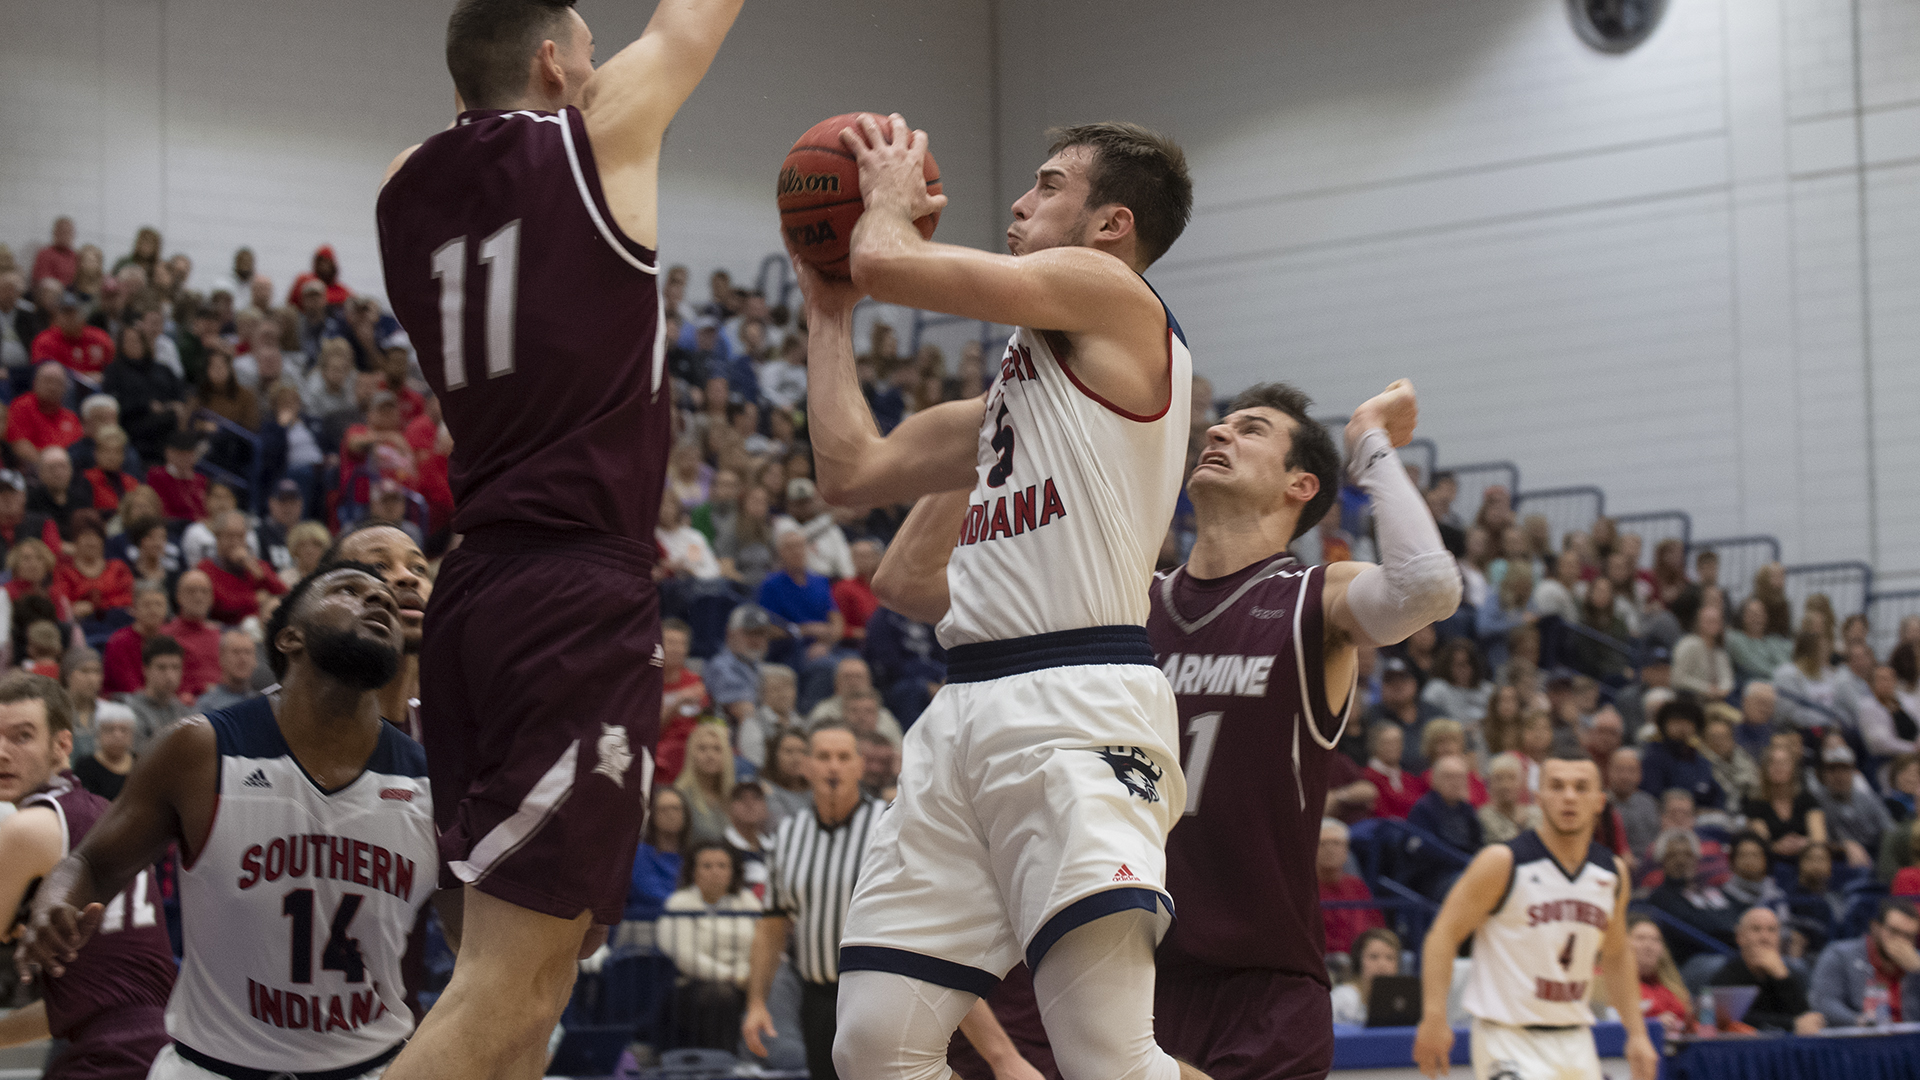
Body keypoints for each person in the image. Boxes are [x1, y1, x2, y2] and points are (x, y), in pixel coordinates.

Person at [869, 380, 1453, 1080]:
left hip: (1255, 983)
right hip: (1113, 958)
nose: (1218, 433)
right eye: (1221, 423)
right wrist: (995, 429)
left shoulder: (1311, 598)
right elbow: (907, 578)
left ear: (1303, 485)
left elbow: (1425, 586)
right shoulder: (1115, 598)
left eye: (1252, 429)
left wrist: (1369, 438)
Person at [788, 110, 1209, 1080]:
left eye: (1049, 185)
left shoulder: (1113, 293)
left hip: (1077, 705)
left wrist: (883, 203)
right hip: (963, 711)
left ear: (1112, 225)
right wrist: (828, 311)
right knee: (873, 1047)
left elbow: (892, 264)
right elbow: (852, 470)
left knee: (1111, 1060)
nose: (1019, 202)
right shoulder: (1016, 393)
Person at [379, 0, 756, 1062]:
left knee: (513, 982)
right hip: (571, 596)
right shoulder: (592, 139)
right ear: (551, 62)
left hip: (474, 588)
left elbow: (471, 115)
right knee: (510, 986)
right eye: (591, 53)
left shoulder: (401, 183)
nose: (604, 72)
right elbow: (690, 25)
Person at [15, 563, 434, 1079]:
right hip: (213, 1068)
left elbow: (472, 937)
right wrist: (57, 901)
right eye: (350, 591)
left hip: (374, 1066)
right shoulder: (199, 750)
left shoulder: (428, 781)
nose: (381, 603)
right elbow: (92, 864)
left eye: (387, 603)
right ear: (289, 636)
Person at [1413, 753, 1657, 1080]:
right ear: (1538, 799)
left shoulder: (1612, 873)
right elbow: (1443, 935)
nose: (1569, 796)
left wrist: (1637, 1034)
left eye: (1581, 788)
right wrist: (1433, 1017)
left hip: (1576, 1039)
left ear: (1600, 802)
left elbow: (1615, 954)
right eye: (1556, 786)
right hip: (1507, 1039)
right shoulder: (1502, 862)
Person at [0, 673, 175, 1078]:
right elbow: (78, 1006)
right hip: (156, 1049)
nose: (2, 752)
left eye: (21, 736)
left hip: (112, 1057)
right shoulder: (106, 815)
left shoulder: (29, 827)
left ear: (62, 745)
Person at [741, 724, 883, 1080]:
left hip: (882, 994)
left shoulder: (888, 824)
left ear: (860, 766)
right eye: (823, 757)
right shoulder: (788, 834)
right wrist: (757, 1001)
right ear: (805, 767)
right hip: (818, 997)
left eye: (843, 757)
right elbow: (773, 924)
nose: (833, 767)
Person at [658, 842, 763, 1050]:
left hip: (749, 979)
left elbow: (762, 943)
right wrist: (731, 976)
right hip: (694, 984)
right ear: (693, 871)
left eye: (722, 866)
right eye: (707, 866)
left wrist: (751, 975)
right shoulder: (679, 903)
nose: (715, 871)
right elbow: (684, 955)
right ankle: (725, 1060)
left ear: (733, 871)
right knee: (721, 995)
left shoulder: (747, 900)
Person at [1705, 907, 1825, 1034]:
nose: (1765, 937)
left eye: (1771, 930)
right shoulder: (1724, 975)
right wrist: (1791, 1024)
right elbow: (1725, 1020)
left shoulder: (1791, 973)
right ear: (1740, 937)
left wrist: (1782, 977)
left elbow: (1805, 1019)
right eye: (1756, 929)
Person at [1809, 897, 1920, 1025]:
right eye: (1894, 932)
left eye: (1909, 936)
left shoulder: (1917, 963)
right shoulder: (1839, 955)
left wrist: (1918, 971)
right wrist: (1859, 1022)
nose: (1901, 941)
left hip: (1911, 1042)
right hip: (1857, 1041)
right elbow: (1824, 1001)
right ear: (1875, 927)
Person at [1646, 830, 1740, 961]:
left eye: (1688, 854)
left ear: (1697, 858)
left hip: (1732, 952)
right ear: (1661, 860)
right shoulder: (1661, 897)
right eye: (1672, 855)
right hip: (1695, 959)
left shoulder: (1713, 890)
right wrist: (1734, 931)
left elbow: (1737, 916)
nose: (1681, 861)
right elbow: (1700, 925)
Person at [616, 788, 687, 954]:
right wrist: (689, 904)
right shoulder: (638, 852)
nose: (671, 814)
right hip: (644, 927)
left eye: (676, 808)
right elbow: (649, 892)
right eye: (663, 809)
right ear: (652, 815)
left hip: (686, 926)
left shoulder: (693, 855)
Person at [1407, 754, 1485, 900]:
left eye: (1460, 777)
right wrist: (1465, 862)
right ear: (1434, 780)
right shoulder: (1423, 809)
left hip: (1466, 870)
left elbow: (1477, 844)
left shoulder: (1467, 810)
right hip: (1433, 877)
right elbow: (1424, 850)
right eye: (1449, 777)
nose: (1456, 782)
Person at [1744, 742, 1828, 867]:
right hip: (1773, 864)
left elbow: (1820, 838)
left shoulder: (1807, 799)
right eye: (1773, 763)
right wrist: (1777, 846)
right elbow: (1762, 843)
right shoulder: (1756, 804)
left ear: (1793, 768)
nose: (1778, 767)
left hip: (1807, 863)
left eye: (1784, 763)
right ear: (1765, 769)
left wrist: (1804, 843)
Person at [1813, 743, 1893, 868]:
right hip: (1837, 860)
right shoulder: (1817, 801)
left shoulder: (1867, 798)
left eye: (1844, 769)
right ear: (1823, 774)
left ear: (1853, 772)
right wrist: (1843, 846)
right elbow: (1818, 841)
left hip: (1875, 854)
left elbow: (1889, 830)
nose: (1839, 775)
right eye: (1832, 769)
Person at [1318, 819, 1384, 956]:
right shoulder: (1305, 891)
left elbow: (1377, 928)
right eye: (1322, 843)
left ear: (1346, 851)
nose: (1330, 849)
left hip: (1358, 964)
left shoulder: (1357, 886)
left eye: (1336, 843)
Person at [1623, 915, 1692, 1039]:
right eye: (1640, 938)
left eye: (1656, 940)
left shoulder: (1672, 985)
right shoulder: (1607, 981)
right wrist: (1653, 1024)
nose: (1649, 945)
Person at [120, 636, 190, 752]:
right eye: (161, 668)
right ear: (145, 670)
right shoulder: (129, 711)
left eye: (175, 667)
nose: (170, 676)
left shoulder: (185, 712)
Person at [162, 570, 221, 701]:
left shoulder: (220, 635)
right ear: (178, 596)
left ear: (212, 598)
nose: (198, 597)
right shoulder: (165, 636)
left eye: (204, 591)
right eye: (191, 591)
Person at [103, 582, 171, 696]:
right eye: (147, 605)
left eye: (158, 604)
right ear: (134, 609)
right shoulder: (119, 642)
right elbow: (128, 686)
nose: (153, 610)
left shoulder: (169, 641)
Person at [674, 720, 736, 846]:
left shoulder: (734, 796)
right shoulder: (680, 796)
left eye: (717, 749)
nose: (710, 755)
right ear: (692, 754)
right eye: (702, 748)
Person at [1329, 929, 1403, 1027]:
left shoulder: (1401, 1002)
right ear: (1359, 961)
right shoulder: (1342, 997)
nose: (1382, 964)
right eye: (1373, 957)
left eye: (1390, 958)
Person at [1363, 722, 1427, 819]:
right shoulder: (1368, 777)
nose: (1394, 747)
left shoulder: (1409, 778)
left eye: (1398, 742)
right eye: (1388, 743)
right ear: (1374, 745)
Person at [71, 710, 138, 801]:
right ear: (98, 734)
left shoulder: (141, 762)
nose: (117, 735)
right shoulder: (85, 766)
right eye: (110, 729)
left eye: (123, 730)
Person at [1722, 832, 1790, 916]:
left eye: (1755, 855)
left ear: (1765, 859)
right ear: (1732, 861)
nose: (1750, 860)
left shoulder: (1777, 896)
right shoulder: (1722, 897)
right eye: (1743, 855)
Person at [1479, 752, 1541, 844]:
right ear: (1490, 784)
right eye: (1499, 779)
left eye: (1512, 778)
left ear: (1521, 782)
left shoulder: (1535, 814)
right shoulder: (1484, 817)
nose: (1506, 785)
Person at [194, 630, 261, 712]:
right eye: (236, 652)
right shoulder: (206, 705)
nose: (243, 659)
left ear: (255, 661)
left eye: (248, 652)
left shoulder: (262, 704)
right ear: (221, 658)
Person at [761, 727, 813, 824]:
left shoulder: (816, 789)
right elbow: (780, 827)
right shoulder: (767, 790)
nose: (796, 758)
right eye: (789, 751)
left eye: (802, 751)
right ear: (774, 756)